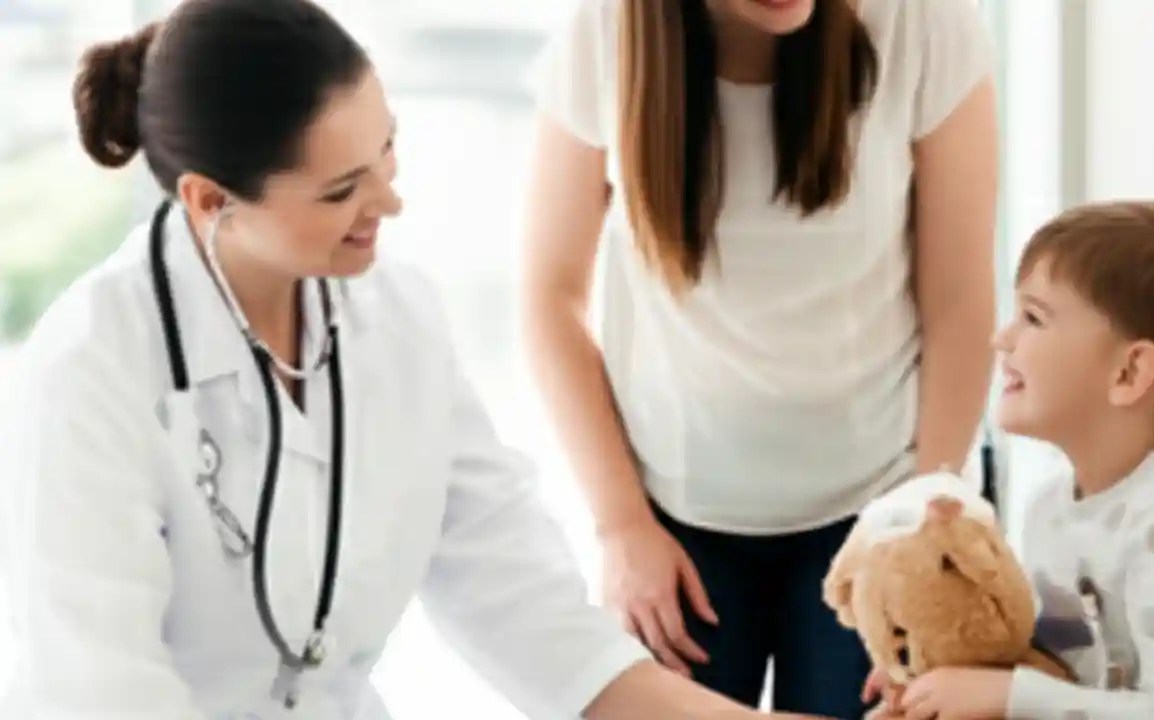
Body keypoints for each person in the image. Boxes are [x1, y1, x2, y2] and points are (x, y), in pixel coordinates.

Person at [0, 1, 831, 718]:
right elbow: (104, 691)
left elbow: (515, 590)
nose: (389, 202)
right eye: (340, 191)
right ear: (211, 200)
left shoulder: (394, 316)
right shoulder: (92, 371)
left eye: (385, 153)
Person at [520, 0, 997, 715]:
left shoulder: (925, 23)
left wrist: (925, 524)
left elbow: (959, 298)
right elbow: (549, 297)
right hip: (676, 525)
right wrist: (621, 526)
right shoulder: (604, 34)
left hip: (880, 512)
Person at [866, 201, 1154, 719]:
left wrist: (1007, 696)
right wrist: (933, 664)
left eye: (1033, 318)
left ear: (1129, 373)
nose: (1003, 338)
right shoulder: (1051, 508)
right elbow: (1053, 664)